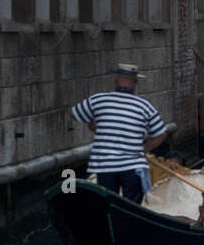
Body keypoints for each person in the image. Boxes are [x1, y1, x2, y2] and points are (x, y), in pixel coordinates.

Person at [71, 64, 168, 203]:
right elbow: (161, 134)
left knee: (108, 203)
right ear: (135, 83)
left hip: (105, 166)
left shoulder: (98, 100)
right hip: (132, 167)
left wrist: (94, 126)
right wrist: (143, 149)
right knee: (132, 206)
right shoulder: (144, 106)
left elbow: (74, 113)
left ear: (116, 81)